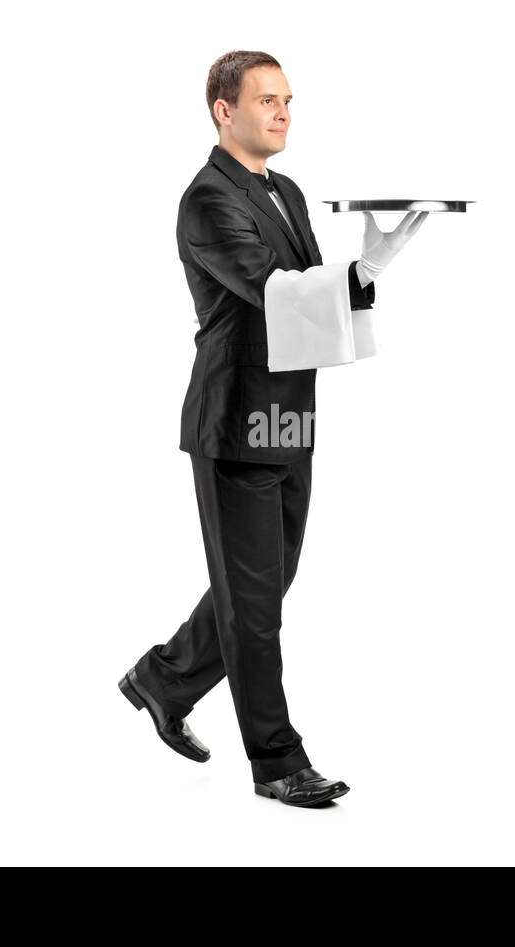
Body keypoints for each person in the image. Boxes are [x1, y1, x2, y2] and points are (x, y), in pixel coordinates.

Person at [119, 50, 427, 808]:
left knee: (265, 584)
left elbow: (313, 300)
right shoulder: (205, 201)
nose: (283, 111)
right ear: (224, 111)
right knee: (254, 605)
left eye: (288, 98)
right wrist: (352, 275)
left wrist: (374, 263)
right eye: (266, 100)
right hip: (234, 424)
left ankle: (162, 677)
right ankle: (277, 762)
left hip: (290, 415)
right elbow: (269, 294)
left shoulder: (286, 191)